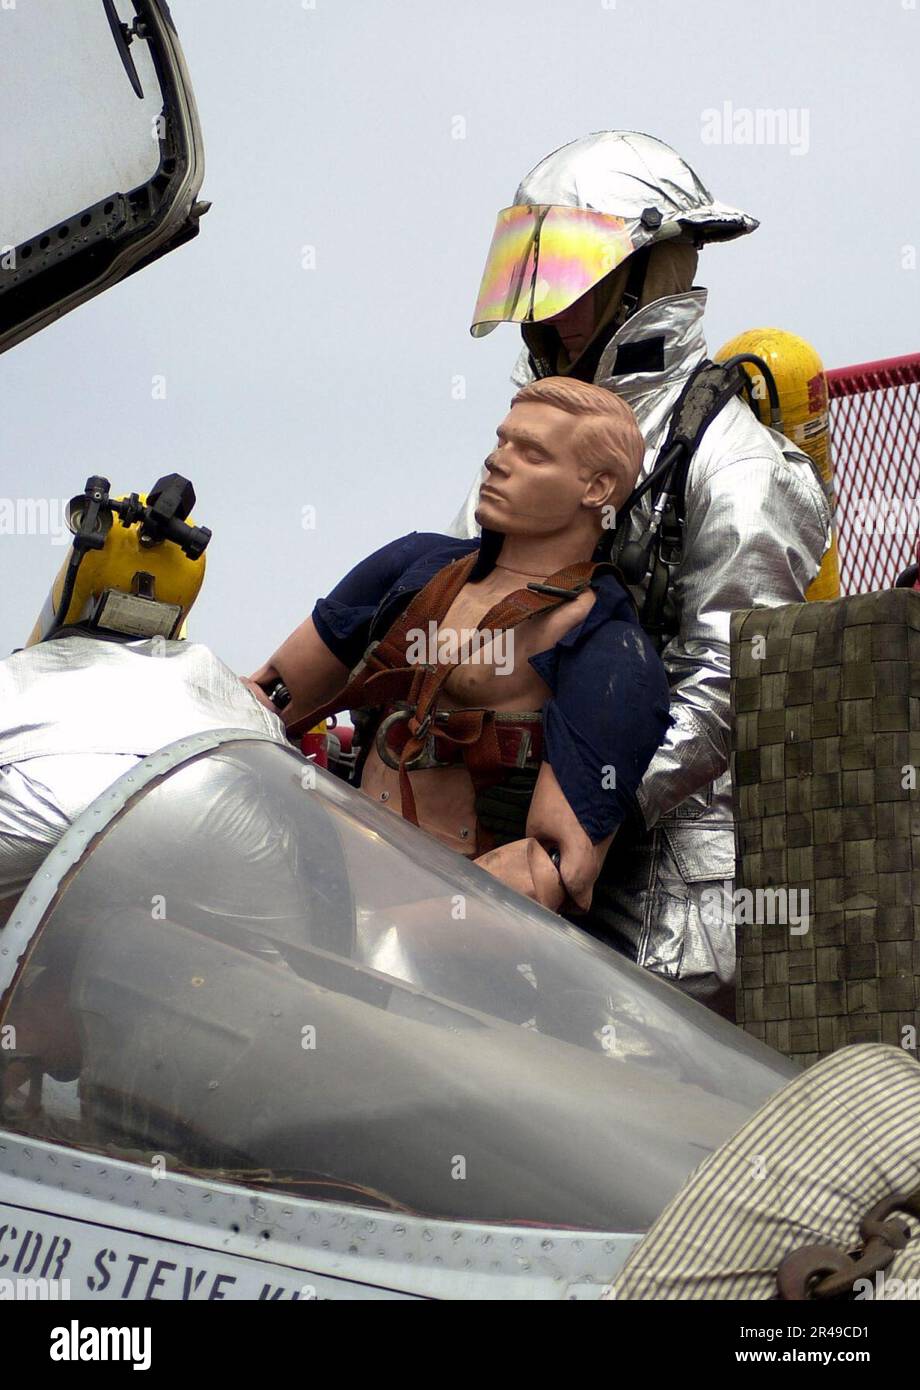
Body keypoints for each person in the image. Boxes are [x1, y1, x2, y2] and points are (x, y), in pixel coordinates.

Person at [451, 130, 832, 1013]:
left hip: (672, 906)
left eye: (570, 280)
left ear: (648, 277)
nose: (546, 315)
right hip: (530, 857)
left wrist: (587, 805)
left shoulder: (733, 461)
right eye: (533, 279)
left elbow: (730, 684)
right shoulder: (535, 443)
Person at [248, 376, 672, 918]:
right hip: (332, 876)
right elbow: (265, 702)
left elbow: (546, 875)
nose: (498, 462)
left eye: (533, 453)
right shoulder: (415, 566)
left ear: (596, 490)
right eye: (502, 441)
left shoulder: (606, 648)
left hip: (454, 938)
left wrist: (386, 938)